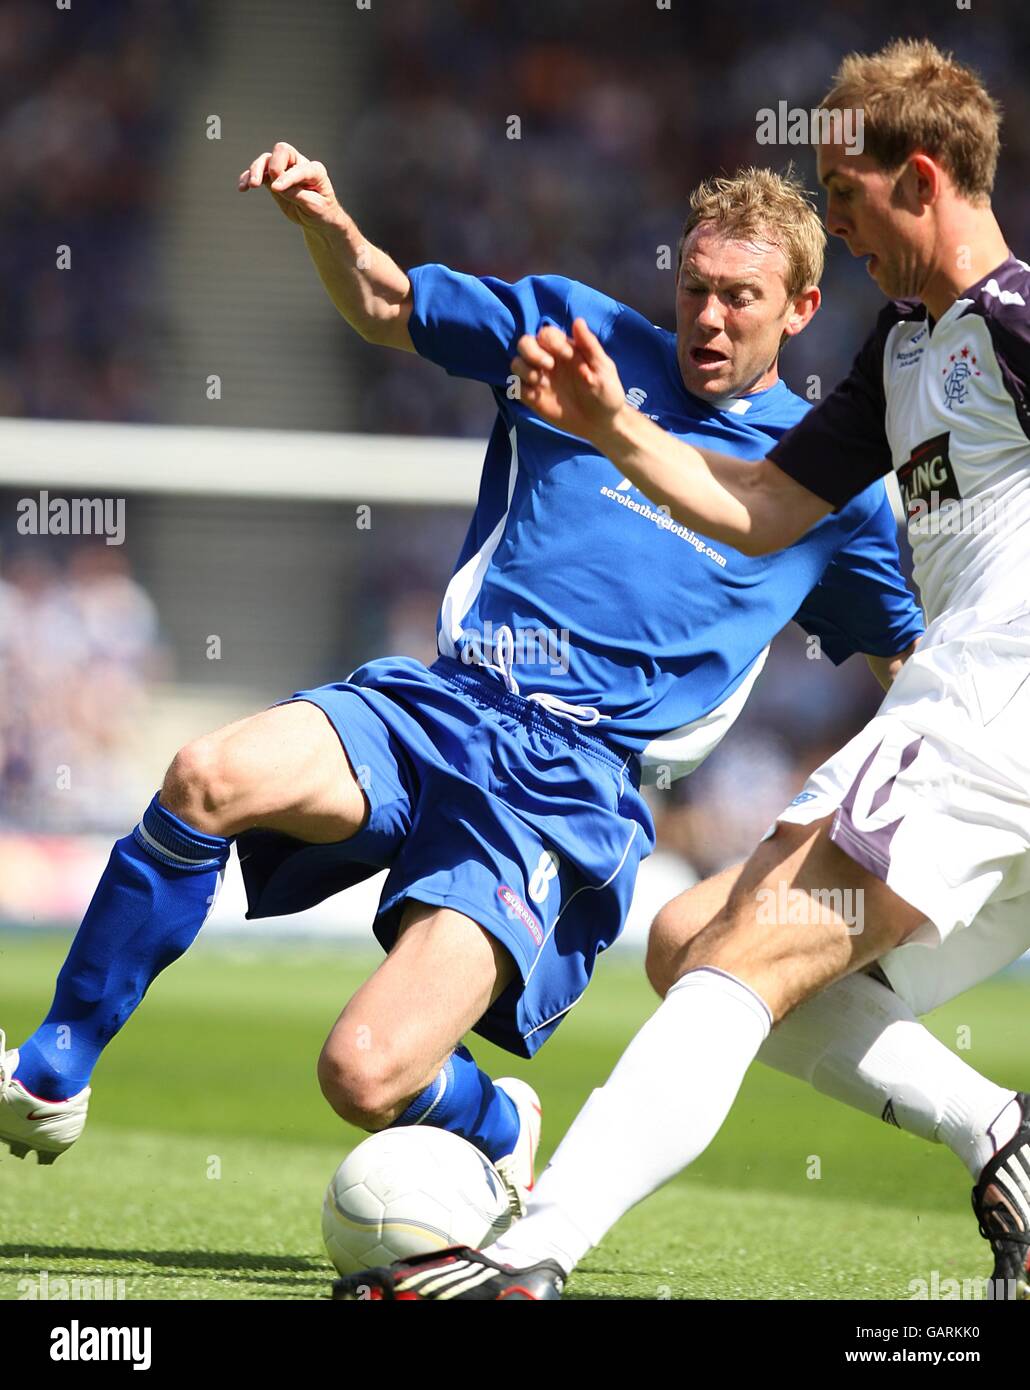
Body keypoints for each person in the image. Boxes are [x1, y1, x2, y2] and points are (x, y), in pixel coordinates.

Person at [0, 158, 924, 1210]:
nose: (708, 317)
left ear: (800, 308)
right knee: (209, 772)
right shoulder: (575, 336)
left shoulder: (824, 491)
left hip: (565, 790)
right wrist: (327, 223)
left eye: (739, 298)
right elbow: (390, 305)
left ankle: (495, 1118)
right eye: (694, 289)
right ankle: (52, 1068)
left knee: (362, 1073)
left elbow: (910, 659)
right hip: (443, 704)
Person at [333, 38, 1030, 1301]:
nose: (839, 226)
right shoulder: (904, 353)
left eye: (845, 199)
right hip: (981, 740)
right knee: (690, 936)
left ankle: (525, 1261)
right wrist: (612, 425)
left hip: (995, 716)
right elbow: (760, 505)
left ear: (919, 178)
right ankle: (1001, 1136)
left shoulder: (1017, 324)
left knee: (737, 959)